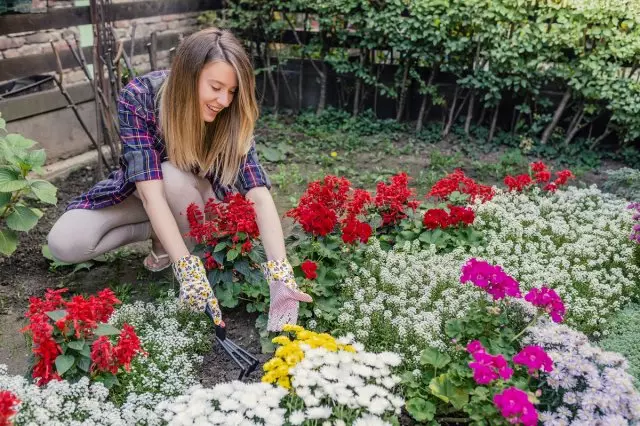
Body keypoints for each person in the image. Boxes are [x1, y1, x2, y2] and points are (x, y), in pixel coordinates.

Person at [47, 28, 312, 332]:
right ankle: (164, 237)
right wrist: (189, 271)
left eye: (232, 91)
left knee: (172, 176)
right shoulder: (141, 97)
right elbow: (149, 193)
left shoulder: (232, 115)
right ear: (189, 75)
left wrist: (280, 275)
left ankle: (185, 257)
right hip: (147, 195)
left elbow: (258, 194)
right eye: (215, 87)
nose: (224, 100)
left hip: (203, 203)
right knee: (64, 243)